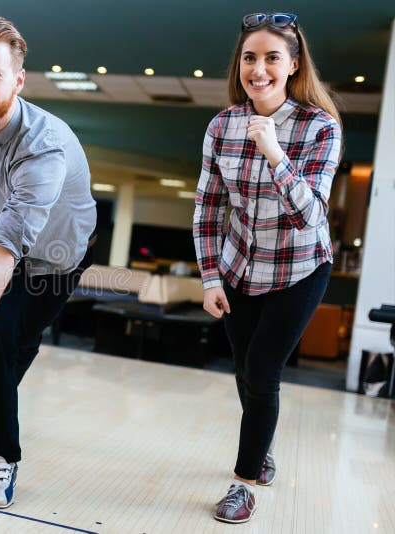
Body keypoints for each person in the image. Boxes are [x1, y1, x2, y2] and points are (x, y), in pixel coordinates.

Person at [0, 17, 97, 509]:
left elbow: (8, 254)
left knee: (20, 338)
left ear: (18, 80)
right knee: (0, 335)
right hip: (12, 227)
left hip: (62, 252)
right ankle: (3, 458)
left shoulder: (44, 145)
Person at [193, 13, 342, 524]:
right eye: (249, 58)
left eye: (272, 58)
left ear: (294, 65)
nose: (258, 69)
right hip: (239, 267)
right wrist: (211, 276)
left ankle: (244, 482)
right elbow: (209, 208)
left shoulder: (320, 128)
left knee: (262, 370)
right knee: (244, 371)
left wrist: (274, 151)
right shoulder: (222, 125)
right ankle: (262, 452)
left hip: (299, 269)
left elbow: (310, 216)